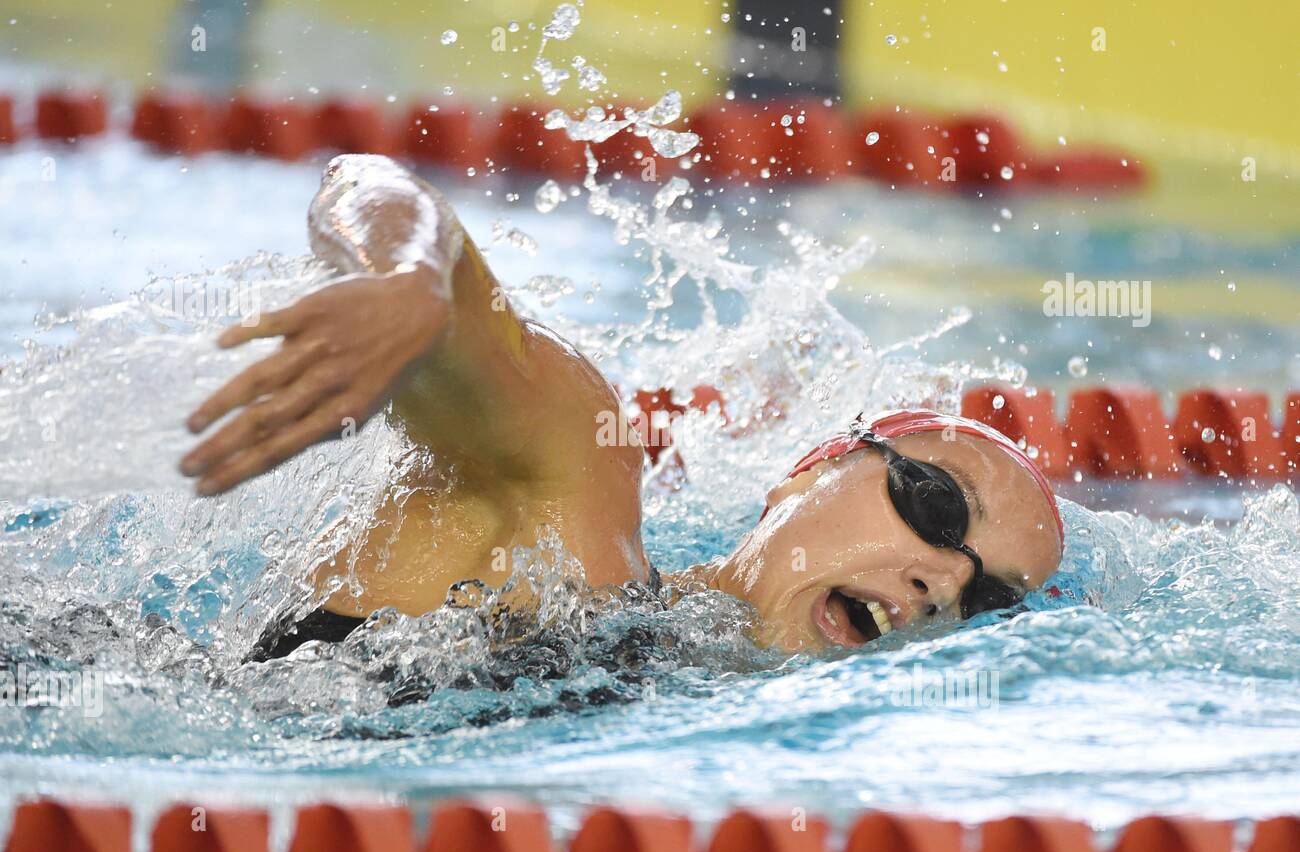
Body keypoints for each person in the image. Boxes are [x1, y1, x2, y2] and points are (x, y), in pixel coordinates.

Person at [179, 155, 1063, 659]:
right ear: (811, 470)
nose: (945, 583)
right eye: (939, 506)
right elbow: (366, 183)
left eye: (986, 598)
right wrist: (411, 282)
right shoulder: (573, 502)